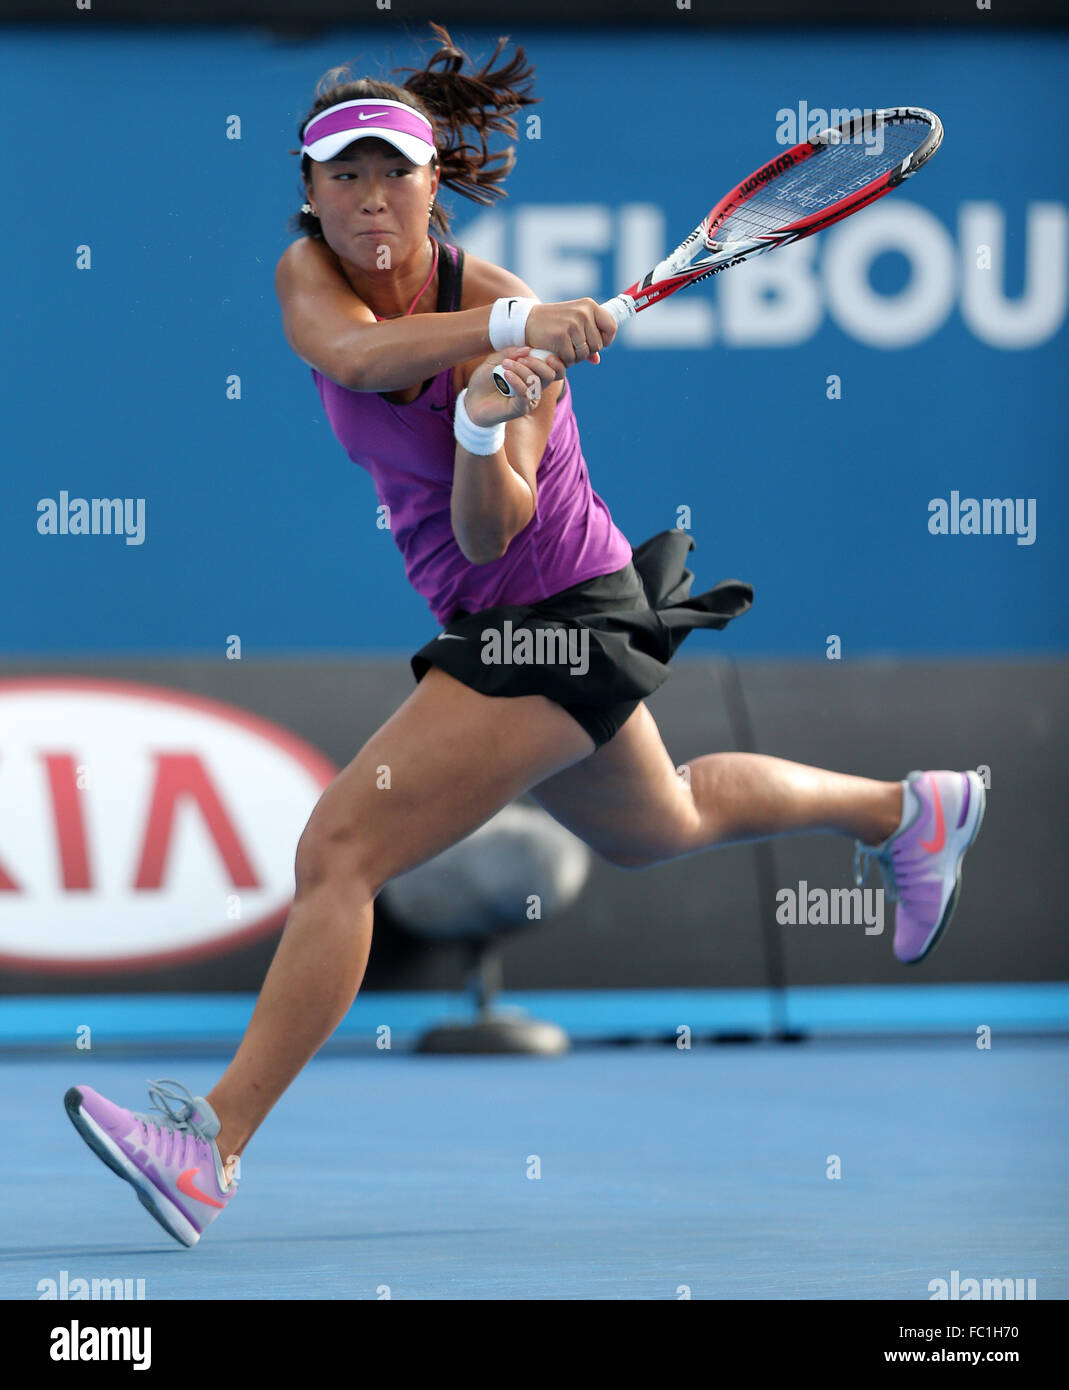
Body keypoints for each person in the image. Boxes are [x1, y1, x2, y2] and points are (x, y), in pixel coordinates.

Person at [64, 25, 985, 1248]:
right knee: (665, 825)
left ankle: (211, 1143)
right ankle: (905, 813)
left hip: (554, 618)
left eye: (393, 170)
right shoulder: (320, 278)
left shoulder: (500, 304)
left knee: (339, 849)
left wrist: (491, 420)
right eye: (343, 174)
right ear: (309, 193)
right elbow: (350, 353)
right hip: (534, 612)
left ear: (432, 183)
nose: (368, 196)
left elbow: (491, 534)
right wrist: (508, 344)